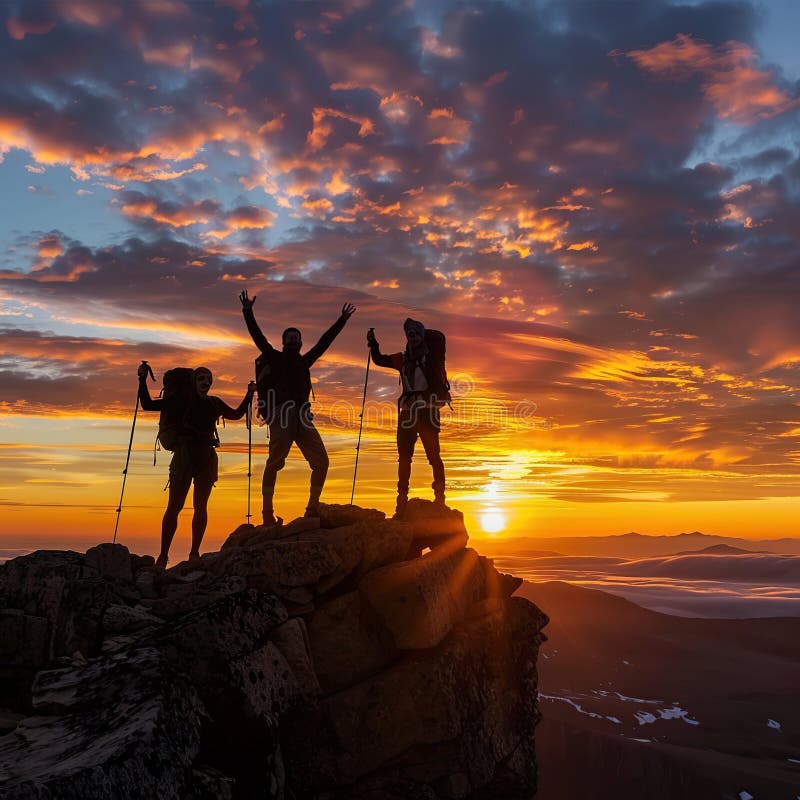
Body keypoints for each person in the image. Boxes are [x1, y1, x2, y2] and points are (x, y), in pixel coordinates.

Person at [239, 289, 356, 524]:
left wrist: (341, 321)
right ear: (284, 343)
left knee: (321, 462)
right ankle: (267, 514)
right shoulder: (274, 357)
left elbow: (325, 342)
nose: (293, 341)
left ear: (301, 342)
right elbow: (258, 337)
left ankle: (312, 507)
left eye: (296, 338)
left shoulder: (305, 361)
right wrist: (247, 312)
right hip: (281, 414)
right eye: (290, 338)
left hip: (303, 415)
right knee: (274, 463)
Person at [137, 363, 254, 569]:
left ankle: (193, 554)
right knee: (175, 507)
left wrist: (249, 394)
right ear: (193, 382)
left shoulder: (214, 403)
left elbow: (236, 415)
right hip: (186, 456)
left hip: (205, 458)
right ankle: (164, 556)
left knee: (200, 508)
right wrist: (142, 379)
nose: (206, 382)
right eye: (201, 379)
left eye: (209, 379)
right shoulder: (180, 400)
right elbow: (147, 405)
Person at [367, 318, 447, 517]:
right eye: (410, 334)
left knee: (432, 456)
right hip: (410, 414)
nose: (412, 338)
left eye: (416, 334)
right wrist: (373, 343)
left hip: (425, 412)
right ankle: (403, 501)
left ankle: (437, 499)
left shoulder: (432, 359)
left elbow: (439, 340)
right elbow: (379, 360)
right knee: (406, 458)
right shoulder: (403, 359)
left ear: (422, 336)